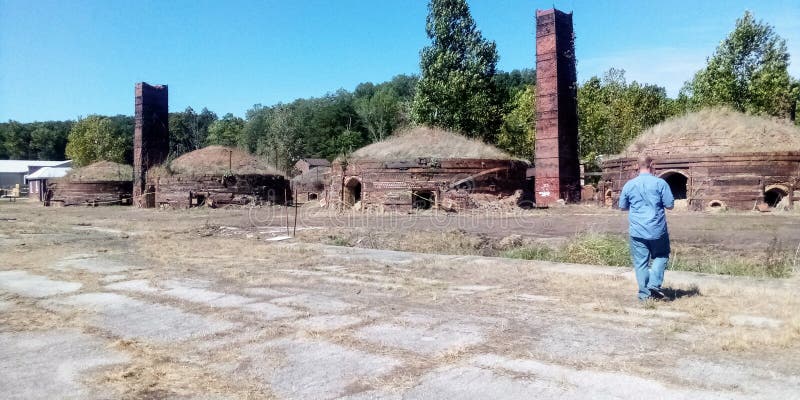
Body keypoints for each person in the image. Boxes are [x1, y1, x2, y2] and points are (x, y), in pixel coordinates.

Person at [618, 155, 674, 301]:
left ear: (638, 166)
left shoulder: (629, 185)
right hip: (657, 230)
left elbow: (623, 207)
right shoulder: (660, 183)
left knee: (640, 262)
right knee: (662, 255)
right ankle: (654, 284)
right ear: (652, 165)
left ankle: (644, 295)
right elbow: (670, 205)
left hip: (637, 230)